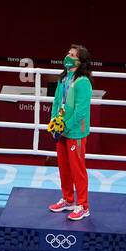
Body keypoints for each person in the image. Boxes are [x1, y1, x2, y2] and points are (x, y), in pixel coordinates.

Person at [48, 44, 93, 221]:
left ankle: (83, 205)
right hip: (61, 129)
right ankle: (68, 200)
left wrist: (65, 126)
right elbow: (57, 101)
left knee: (77, 169)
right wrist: (53, 122)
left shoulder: (83, 82)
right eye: (68, 52)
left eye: (72, 54)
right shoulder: (63, 78)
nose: (68, 55)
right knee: (64, 168)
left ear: (80, 61)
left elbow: (81, 112)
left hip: (75, 132)